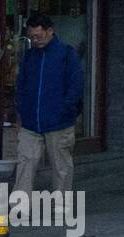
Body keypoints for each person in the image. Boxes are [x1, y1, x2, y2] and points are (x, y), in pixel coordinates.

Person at [12, 13, 84, 201]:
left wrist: (65, 111)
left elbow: (75, 87)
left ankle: (60, 205)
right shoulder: (29, 57)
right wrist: (21, 112)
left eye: (39, 36)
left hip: (59, 122)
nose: (35, 40)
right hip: (31, 122)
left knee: (61, 167)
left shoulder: (67, 54)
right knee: (25, 163)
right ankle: (20, 205)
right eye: (32, 37)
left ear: (50, 31)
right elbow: (21, 86)